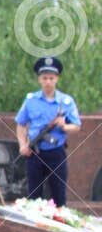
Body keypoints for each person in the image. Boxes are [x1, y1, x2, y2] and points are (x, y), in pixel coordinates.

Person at [17, 54, 81, 205]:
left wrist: (64, 126)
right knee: (34, 197)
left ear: (57, 79)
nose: (48, 82)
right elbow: (21, 124)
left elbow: (77, 126)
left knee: (59, 196)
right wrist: (22, 145)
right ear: (39, 79)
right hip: (35, 152)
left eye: (51, 78)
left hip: (56, 152)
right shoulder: (31, 100)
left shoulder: (66, 102)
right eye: (45, 78)